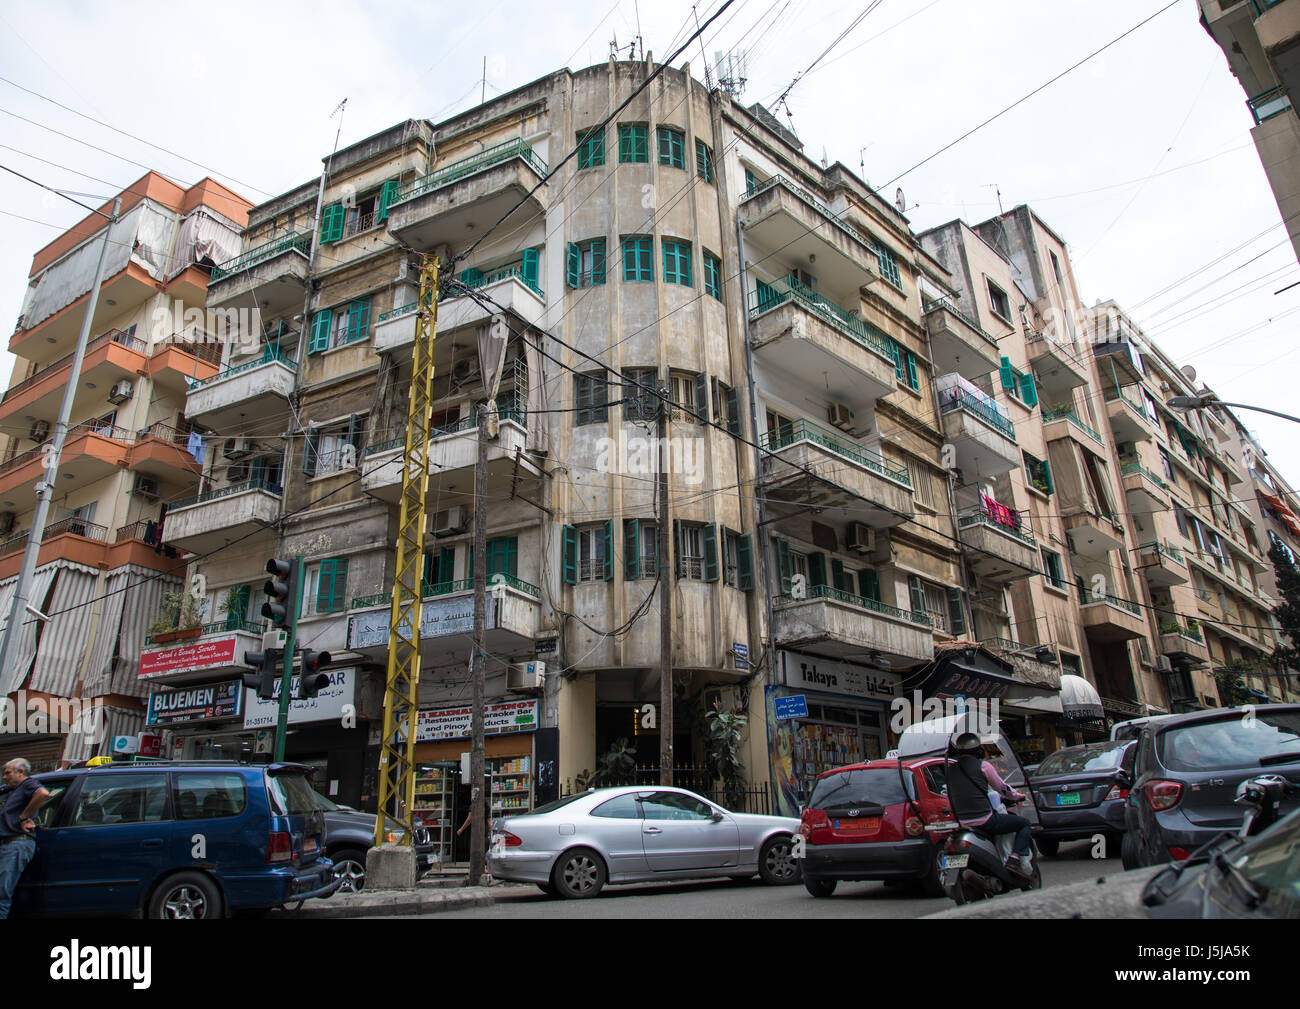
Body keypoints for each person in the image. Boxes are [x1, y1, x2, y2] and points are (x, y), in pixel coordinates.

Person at [946, 732, 1034, 878]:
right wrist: (1019, 796)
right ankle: (1015, 857)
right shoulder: (984, 766)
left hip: (961, 822)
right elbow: (1003, 789)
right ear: (978, 750)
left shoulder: (950, 770)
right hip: (984, 820)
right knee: (1024, 823)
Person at [0, 758, 51, 918]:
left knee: (1, 892)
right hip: (9, 844)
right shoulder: (13, 791)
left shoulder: (27, 784)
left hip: (16, 843)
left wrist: (23, 817)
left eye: (7, 773)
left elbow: (43, 793)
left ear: (20, 772)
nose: (4, 777)